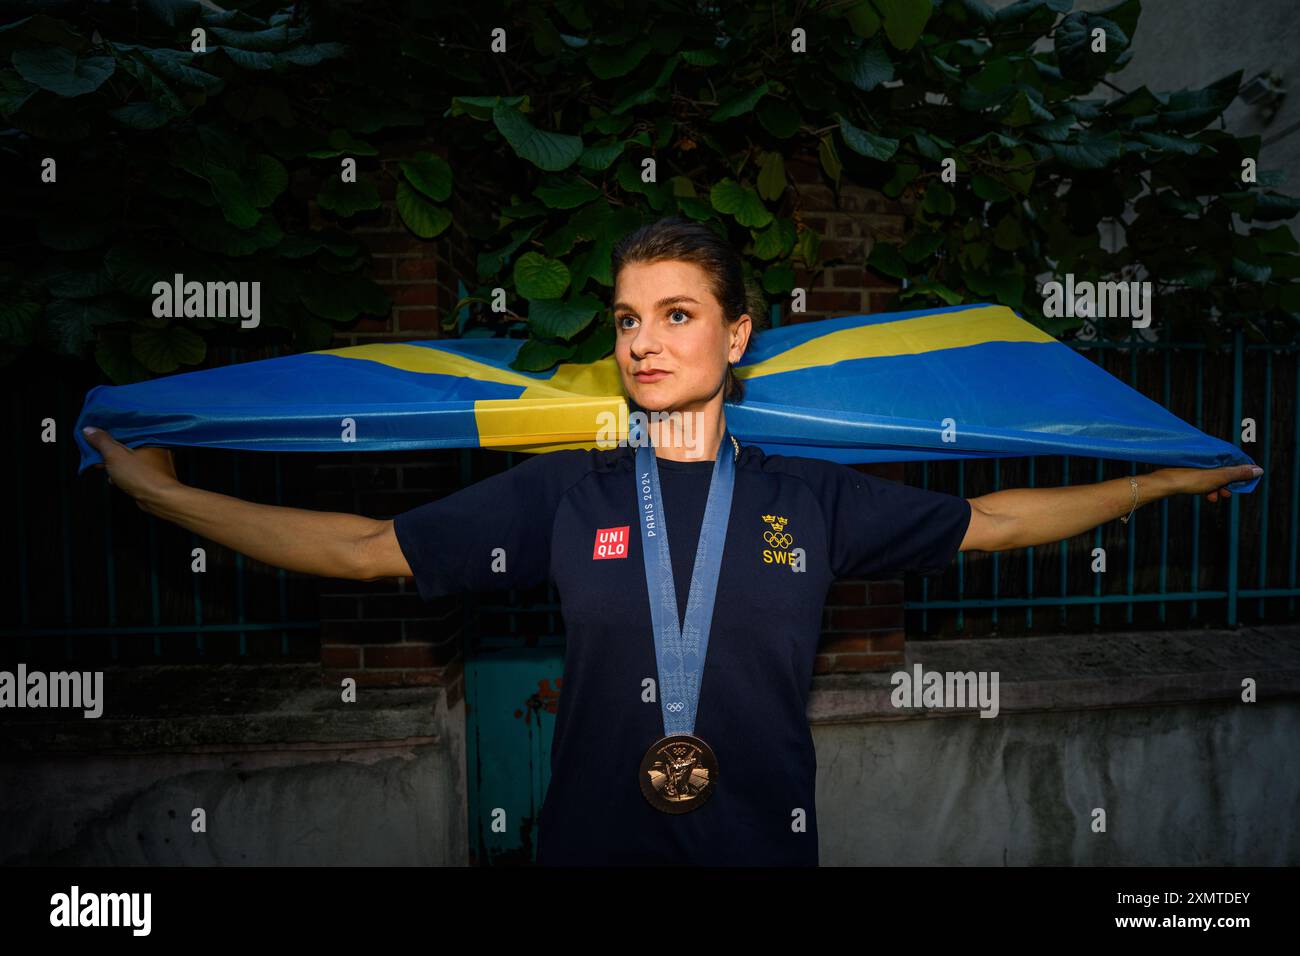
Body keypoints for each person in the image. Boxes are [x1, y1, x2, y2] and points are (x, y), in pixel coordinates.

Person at [82, 216, 1262, 867]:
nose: (647, 339)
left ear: (737, 333)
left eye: (680, 313)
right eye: (629, 318)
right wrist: (159, 494)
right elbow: (358, 549)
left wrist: (1153, 480)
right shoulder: (564, 493)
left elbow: (1001, 520)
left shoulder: (813, 495)